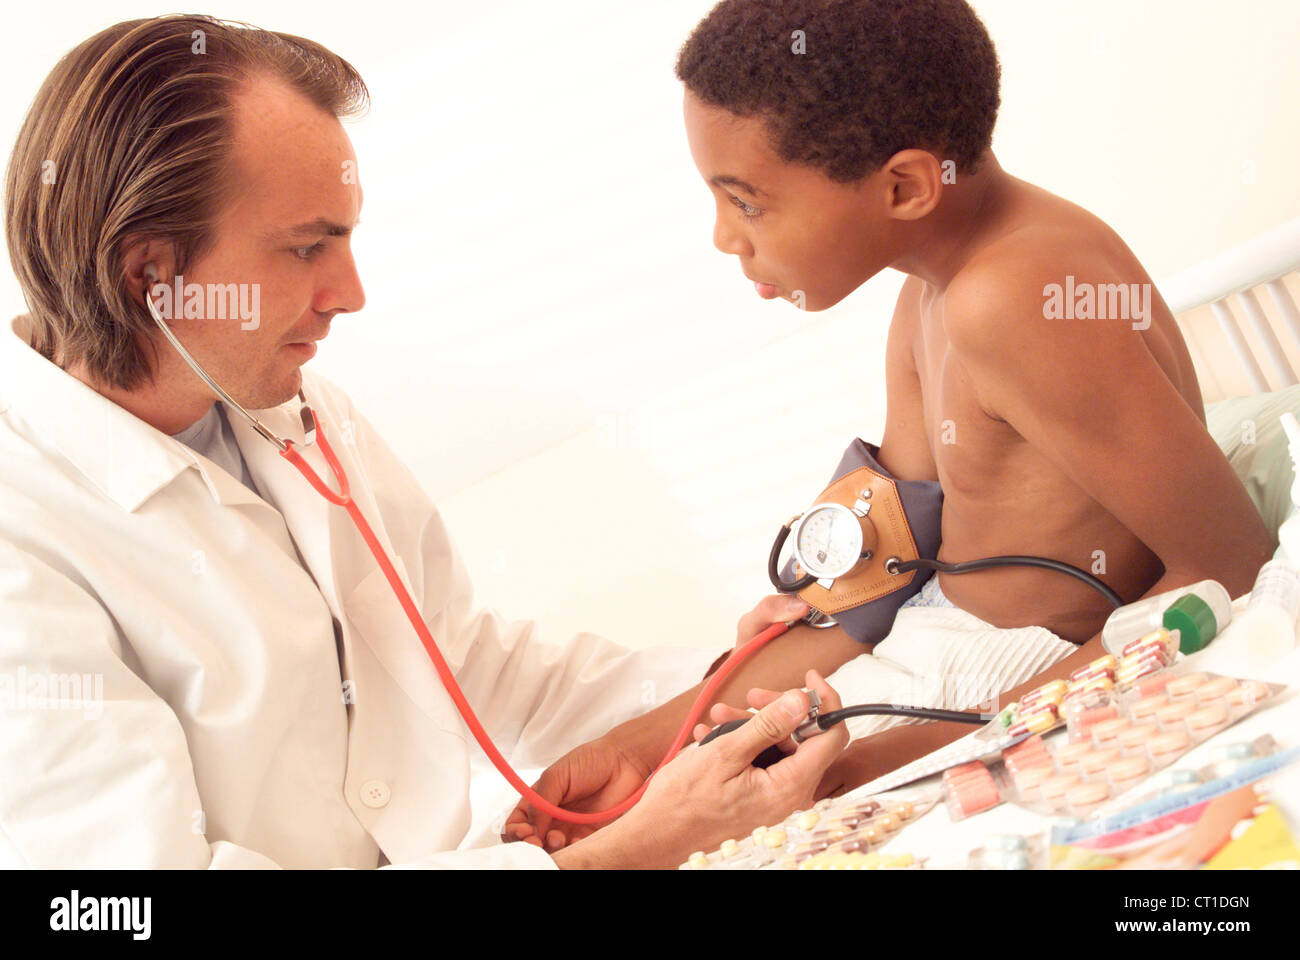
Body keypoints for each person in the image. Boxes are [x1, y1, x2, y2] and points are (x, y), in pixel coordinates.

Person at [0, 14, 850, 871]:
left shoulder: (293, 410)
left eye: (345, 238)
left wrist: (712, 687)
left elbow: (461, 660)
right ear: (147, 274)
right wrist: (618, 855)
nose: (349, 293)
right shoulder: (21, 534)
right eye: (306, 247)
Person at [505, 0, 1274, 849]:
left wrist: (875, 763)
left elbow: (1228, 566)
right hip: (916, 667)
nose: (724, 238)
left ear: (905, 186)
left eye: (747, 203)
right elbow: (873, 580)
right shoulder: (926, 299)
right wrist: (639, 749)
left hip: (1009, 682)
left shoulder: (1014, 297)